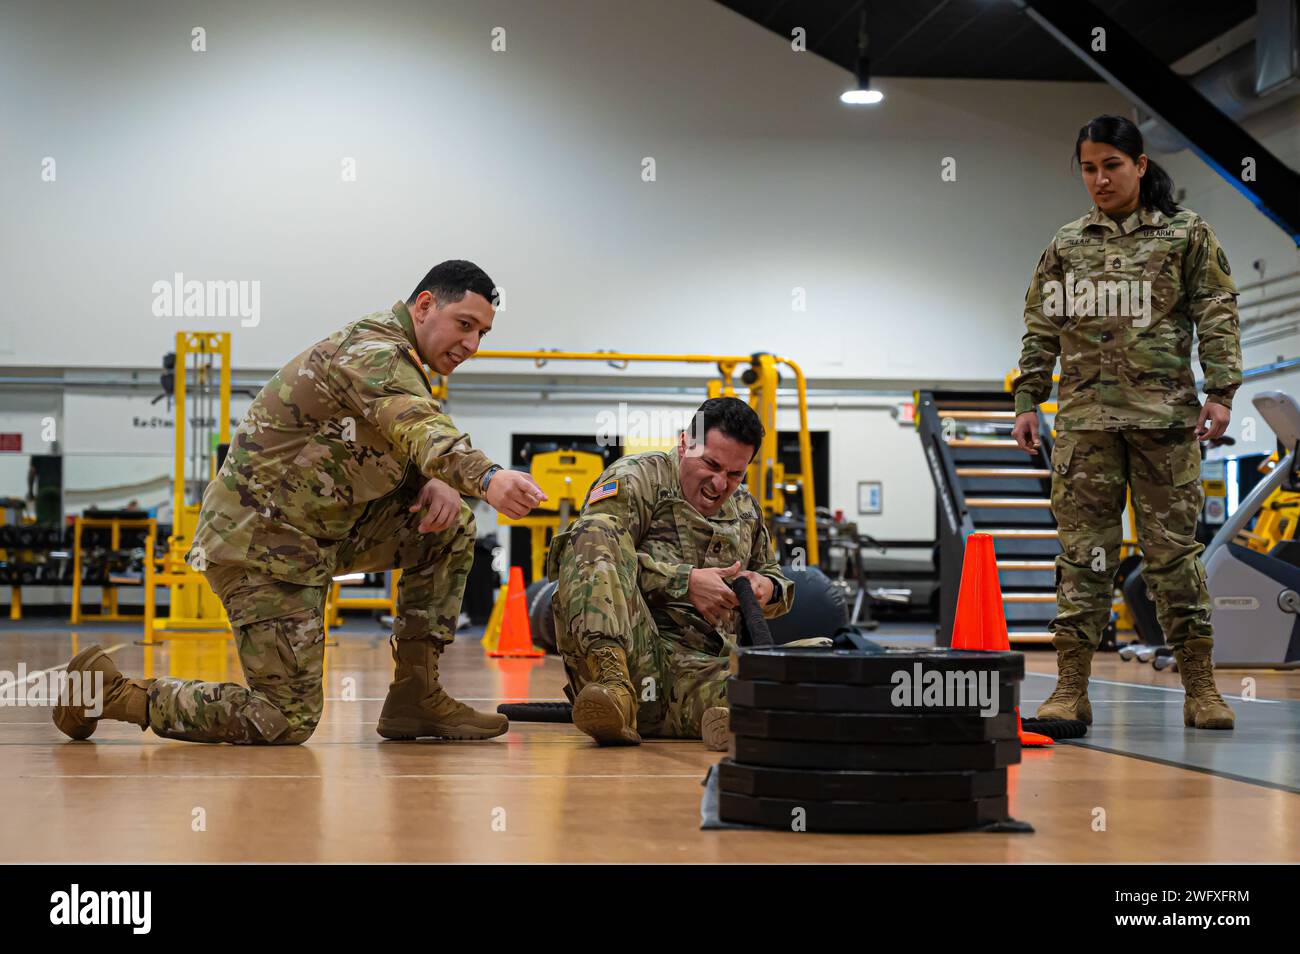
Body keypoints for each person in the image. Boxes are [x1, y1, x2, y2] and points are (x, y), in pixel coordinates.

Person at [55, 260, 547, 744]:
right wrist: (487, 477)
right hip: (259, 547)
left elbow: (380, 442)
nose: (472, 345)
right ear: (423, 306)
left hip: (315, 536)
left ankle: (415, 697)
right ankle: (110, 692)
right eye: (465, 325)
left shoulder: (402, 362)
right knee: (284, 720)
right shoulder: (374, 350)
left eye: (482, 333)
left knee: (449, 522)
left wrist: (427, 480)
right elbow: (416, 422)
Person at [1012, 115, 1240, 730]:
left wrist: (1222, 391)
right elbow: (1040, 327)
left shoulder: (1186, 234)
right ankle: (1069, 689)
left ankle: (1201, 687)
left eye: (1112, 165)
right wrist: (1028, 399)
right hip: (1085, 426)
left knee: (1173, 558)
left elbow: (1217, 310)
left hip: (1165, 422)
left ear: (1140, 165)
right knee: (1084, 556)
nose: (1100, 179)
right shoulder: (1066, 243)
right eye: (1089, 168)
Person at [546, 397, 793, 750]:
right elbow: (588, 554)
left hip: (706, 672)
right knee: (594, 531)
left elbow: (773, 572)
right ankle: (616, 695)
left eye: (735, 474)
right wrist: (684, 583)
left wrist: (767, 586)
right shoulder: (635, 481)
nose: (720, 484)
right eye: (711, 464)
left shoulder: (746, 509)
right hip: (638, 662)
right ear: (684, 443)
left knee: (820, 663)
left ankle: (734, 713)